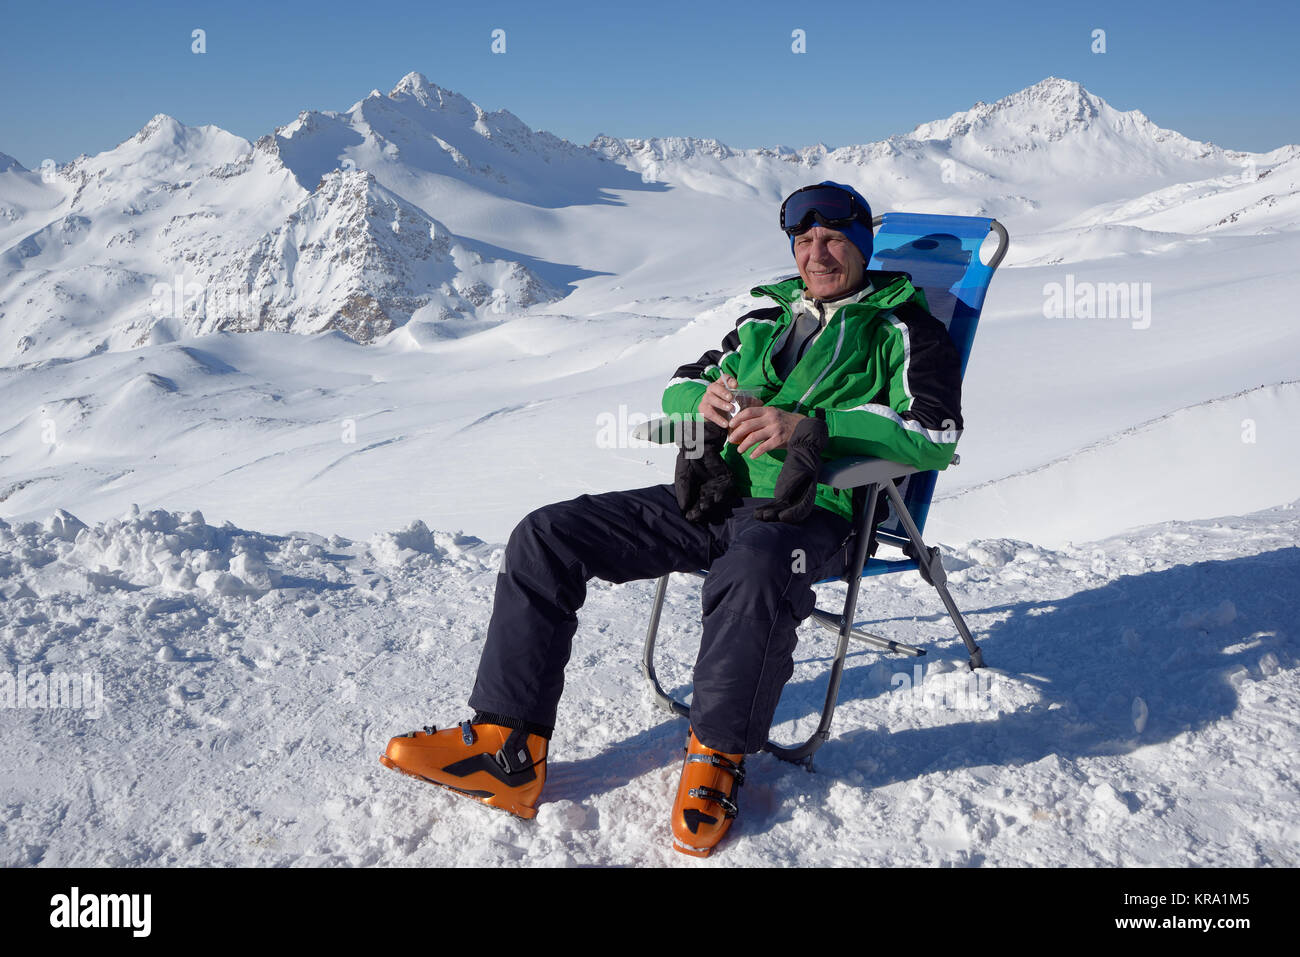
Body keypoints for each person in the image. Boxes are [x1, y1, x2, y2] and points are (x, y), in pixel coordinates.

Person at [380, 182, 964, 857]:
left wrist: (812, 426)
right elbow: (679, 385)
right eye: (803, 242)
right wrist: (708, 400)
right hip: (715, 499)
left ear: (861, 246)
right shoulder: (763, 321)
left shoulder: (904, 328)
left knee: (755, 567)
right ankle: (506, 747)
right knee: (548, 533)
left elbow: (935, 433)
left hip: (810, 517)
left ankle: (717, 755)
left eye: (833, 240)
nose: (816, 254)